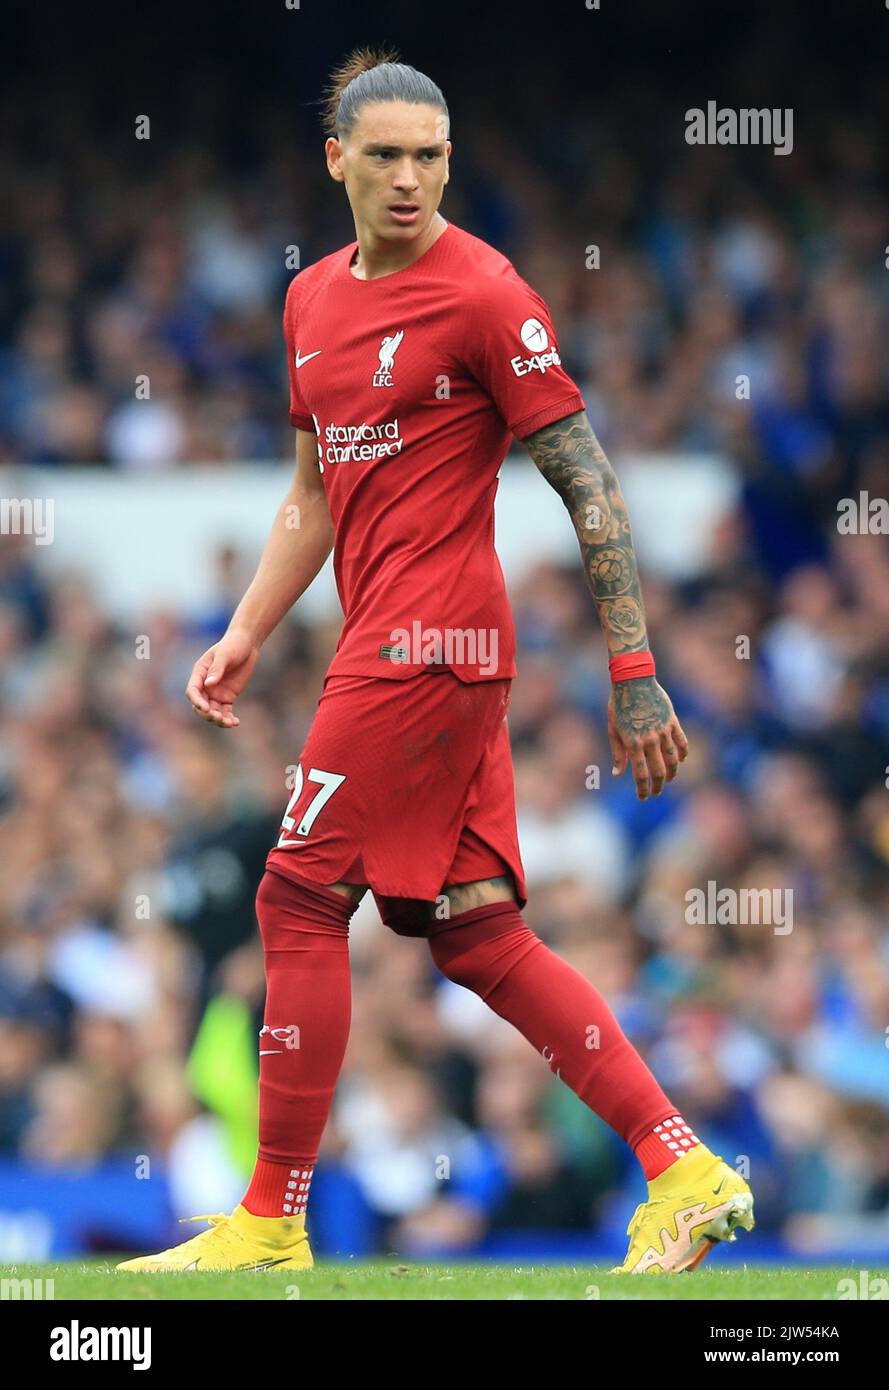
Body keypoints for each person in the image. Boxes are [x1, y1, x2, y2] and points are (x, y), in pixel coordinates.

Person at [118, 48, 753, 1276]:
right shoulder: (308, 301)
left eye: (431, 156)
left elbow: (588, 476)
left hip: (434, 645)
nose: (409, 179)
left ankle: (269, 1218)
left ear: (448, 162)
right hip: (385, 644)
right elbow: (313, 492)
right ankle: (683, 1162)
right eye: (387, 154)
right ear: (336, 159)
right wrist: (247, 629)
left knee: (295, 896)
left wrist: (633, 668)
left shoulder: (484, 292)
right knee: (473, 934)